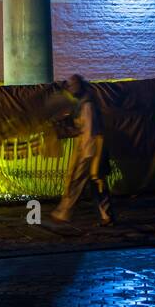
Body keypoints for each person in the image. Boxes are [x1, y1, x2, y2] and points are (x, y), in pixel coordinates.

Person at [49, 74, 114, 226]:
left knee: (76, 181)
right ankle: (106, 216)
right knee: (97, 183)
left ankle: (64, 213)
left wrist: (86, 155)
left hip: (89, 150)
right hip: (90, 148)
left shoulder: (86, 105)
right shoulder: (82, 104)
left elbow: (90, 132)